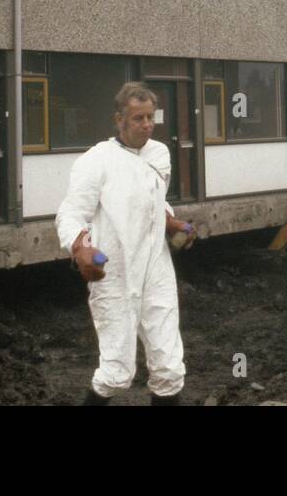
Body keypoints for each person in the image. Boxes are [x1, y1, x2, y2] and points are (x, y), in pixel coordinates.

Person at [56, 82, 196, 406]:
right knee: (117, 372)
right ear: (118, 119)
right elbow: (72, 212)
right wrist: (81, 248)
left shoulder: (159, 154)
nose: (147, 125)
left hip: (155, 268)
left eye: (151, 117)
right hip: (115, 272)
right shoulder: (97, 161)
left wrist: (173, 224)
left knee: (169, 366)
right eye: (138, 119)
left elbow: (154, 202)